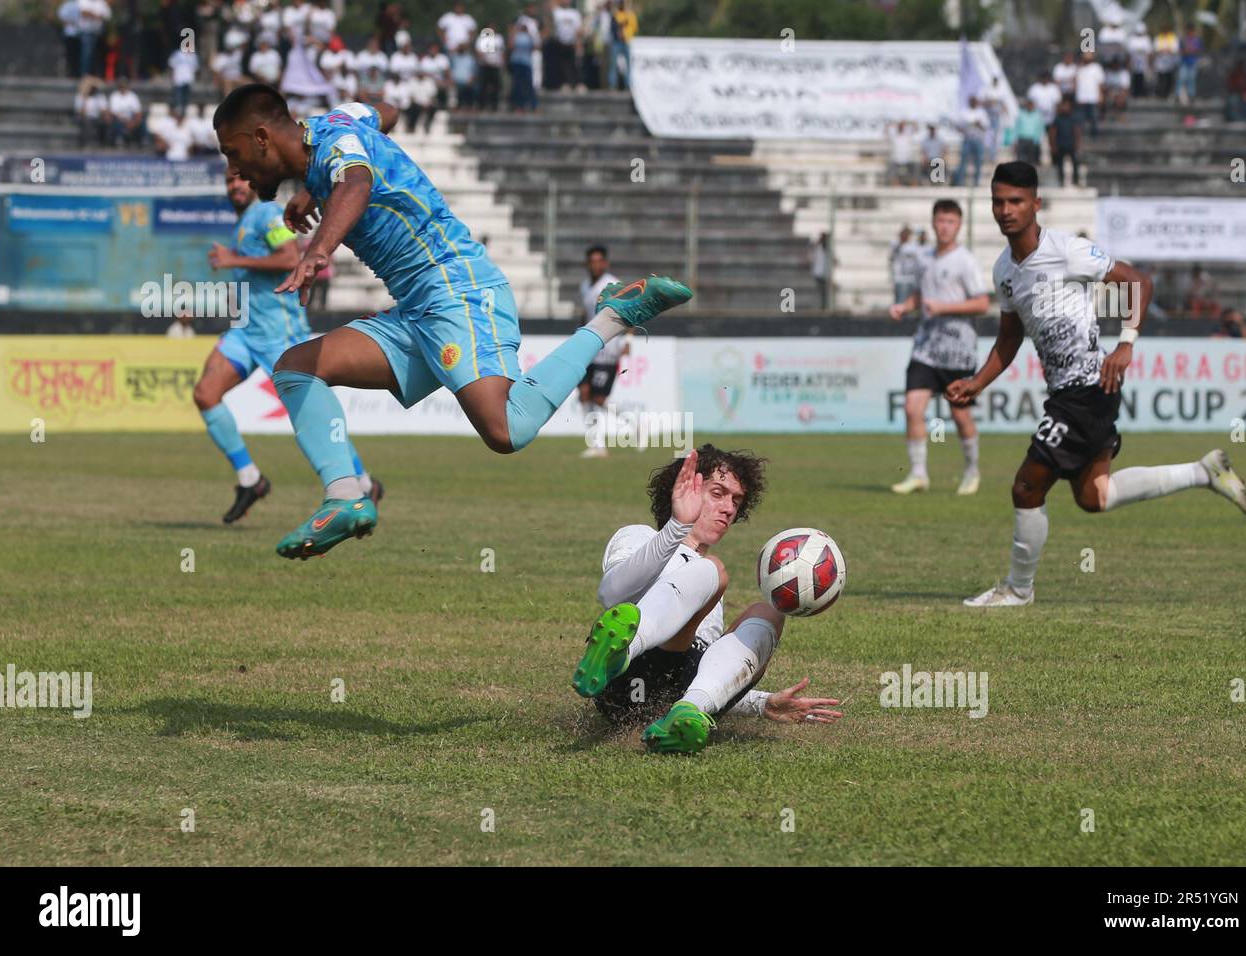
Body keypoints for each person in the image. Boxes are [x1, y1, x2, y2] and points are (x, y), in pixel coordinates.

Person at [212, 85, 692, 558]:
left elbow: (356, 183)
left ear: (261, 137)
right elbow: (389, 110)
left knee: (506, 429)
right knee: (297, 368)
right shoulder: (341, 122)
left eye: (233, 154)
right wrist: (316, 190)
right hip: (416, 308)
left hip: (456, 289)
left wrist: (317, 250)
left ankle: (613, 315)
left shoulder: (338, 146)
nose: (234, 170)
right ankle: (344, 497)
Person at [948, 162, 1246, 608]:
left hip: (1088, 390)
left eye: (1016, 201)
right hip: (1071, 394)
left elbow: (1137, 282)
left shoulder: (1068, 250)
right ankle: (1204, 471)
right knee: (1094, 496)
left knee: (1026, 487)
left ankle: (1017, 589)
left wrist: (1125, 344)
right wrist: (977, 382)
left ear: (1036, 204)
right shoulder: (1004, 271)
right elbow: (1010, 338)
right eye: (998, 201)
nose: (1006, 210)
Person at [571, 448, 844, 754]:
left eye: (736, 501)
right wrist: (676, 527)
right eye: (718, 493)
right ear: (684, 488)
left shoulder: (708, 577)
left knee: (768, 611)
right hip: (626, 673)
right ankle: (618, 651)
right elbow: (611, 594)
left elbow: (709, 669)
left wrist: (762, 703)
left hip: (675, 693)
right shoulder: (640, 537)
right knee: (713, 569)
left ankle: (687, 713)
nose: (728, 508)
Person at [195, 169, 381, 525]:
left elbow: (288, 258)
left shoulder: (267, 214)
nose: (235, 184)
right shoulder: (246, 222)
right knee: (206, 392)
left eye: (241, 178)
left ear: (254, 180)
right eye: (229, 180)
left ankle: (363, 483)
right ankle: (251, 480)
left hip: (280, 335)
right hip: (246, 333)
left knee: (311, 417)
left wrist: (234, 259)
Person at [888, 199, 989, 496]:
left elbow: (982, 302)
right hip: (926, 348)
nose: (944, 227)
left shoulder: (965, 261)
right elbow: (922, 292)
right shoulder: (924, 258)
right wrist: (905, 307)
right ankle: (919, 474)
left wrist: (944, 307)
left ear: (959, 226)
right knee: (912, 408)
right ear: (933, 223)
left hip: (958, 350)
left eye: (951, 222)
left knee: (960, 415)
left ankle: (972, 470)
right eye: (940, 221)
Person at [576, 244, 623, 459]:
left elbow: (629, 311)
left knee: (599, 399)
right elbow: (585, 316)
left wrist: (629, 338)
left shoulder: (612, 285)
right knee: (584, 394)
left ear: (605, 263)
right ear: (587, 264)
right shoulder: (585, 286)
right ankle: (596, 443)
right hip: (588, 347)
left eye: (599, 261)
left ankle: (635, 421)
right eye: (591, 261)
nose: (595, 265)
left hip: (608, 348)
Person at [951, 96, 988, 187]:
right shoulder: (964, 112)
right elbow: (958, 126)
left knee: (978, 161)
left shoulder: (981, 113)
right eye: (972, 101)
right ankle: (960, 182)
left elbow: (985, 127)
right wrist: (965, 127)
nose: (973, 103)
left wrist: (978, 124)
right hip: (967, 139)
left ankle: (976, 182)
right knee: (963, 161)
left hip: (978, 139)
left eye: (975, 101)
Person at [546, 0, 582, 91]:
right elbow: (549, 4)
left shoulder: (575, 13)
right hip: (559, 42)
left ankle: (574, 84)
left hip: (571, 43)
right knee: (560, 65)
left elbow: (578, 30)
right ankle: (563, 84)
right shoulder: (557, 11)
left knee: (573, 64)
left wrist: (578, 43)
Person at [508, 20, 538, 113]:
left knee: (529, 85)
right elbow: (511, 46)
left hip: (526, 62)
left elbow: (534, 47)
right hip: (516, 62)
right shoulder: (515, 36)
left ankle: (533, 105)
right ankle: (518, 106)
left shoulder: (528, 37)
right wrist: (512, 33)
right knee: (517, 85)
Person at [1049, 96, 1080, 187]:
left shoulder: (1073, 118)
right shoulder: (1057, 119)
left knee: (1075, 163)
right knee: (1060, 164)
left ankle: (1076, 180)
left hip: (1071, 145)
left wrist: (1077, 143)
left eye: (1067, 106)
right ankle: (1061, 180)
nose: (1065, 108)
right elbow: (1052, 133)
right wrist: (1053, 146)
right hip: (1060, 145)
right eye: (1064, 106)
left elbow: (1076, 131)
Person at [1074, 51, 1104, 140]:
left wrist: (1100, 95)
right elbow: (1075, 82)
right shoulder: (1078, 68)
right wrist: (1076, 95)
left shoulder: (1097, 68)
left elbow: (1100, 83)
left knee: (1094, 118)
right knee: (1080, 120)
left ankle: (1095, 137)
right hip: (1081, 98)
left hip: (1093, 97)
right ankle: (1080, 138)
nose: (1087, 56)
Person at [475, 23, 505, 111]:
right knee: (483, 86)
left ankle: (494, 105)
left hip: (495, 66)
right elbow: (478, 51)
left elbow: (502, 52)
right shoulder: (481, 38)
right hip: (485, 66)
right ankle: (481, 105)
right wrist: (485, 60)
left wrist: (502, 63)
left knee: (496, 87)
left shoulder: (499, 38)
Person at [888, 226, 920, 306]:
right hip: (900, 278)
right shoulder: (895, 243)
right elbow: (893, 255)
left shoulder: (913, 245)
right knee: (900, 302)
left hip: (912, 277)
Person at [610, 0, 636, 91]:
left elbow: (634, 27)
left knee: (628, 65)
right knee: (613, 65)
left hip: (627, 42)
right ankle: (613, 85)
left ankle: (628, 85)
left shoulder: (630, 14)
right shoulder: (615, 14)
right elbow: (613, 27)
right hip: (617, 42)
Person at [1011, 98, 1044, 166]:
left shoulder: (1038, 115)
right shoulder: (1021, 114)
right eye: (1028, 104)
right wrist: (1014, 140)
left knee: (1031, 161)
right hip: (1022, 139)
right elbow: (1016, 128)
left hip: (1032, 140)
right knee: (1020, 160)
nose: (1030, 106)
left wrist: (1038, 140)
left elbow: (1040, 129)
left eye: (1031, 104)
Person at [168, 43, 200, 113]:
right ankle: (178, 109)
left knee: (186, 95)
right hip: (179, 77)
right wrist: (172, 76)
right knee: (178, 94)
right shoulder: (177, 54)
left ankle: (185, 109)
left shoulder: (193, 56)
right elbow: (172, 65)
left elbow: (195, 68)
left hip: (188, 78)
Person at [886, 120, 918, 186]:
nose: (901, 127)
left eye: (902, 126)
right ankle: (895, 184)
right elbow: (886, 128)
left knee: (916, 165)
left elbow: (915, 126)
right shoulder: (894, 135)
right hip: (896, 159)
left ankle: (914, 184)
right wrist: (895, 123)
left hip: (907, 159)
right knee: (891, 165)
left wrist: (906, 122)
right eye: (900, 126)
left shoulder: (907, 134)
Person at [1178, 23, 1202, 106]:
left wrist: (1189, 50)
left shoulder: (1196, 40)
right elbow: (1183, 51)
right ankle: (1179, 96)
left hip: (1193, 63)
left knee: (1191, 80)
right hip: (1184, 63)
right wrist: (1189, 50)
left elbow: (1197, 50)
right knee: (1182, 79)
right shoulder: (1183, 40)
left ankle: (1191, 96)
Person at [1127, 22, 1152, 98]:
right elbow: (1130, 52)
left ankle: (1142, 93)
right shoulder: (1132, 39)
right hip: (1134, 62)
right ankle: (1135, 93)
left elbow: (1149, 52)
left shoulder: (1146, 39)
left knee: (1143, 78)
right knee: (1135, 77)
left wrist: (1149, 63)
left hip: (1143, 62)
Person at [1153, 25, 1180, 100]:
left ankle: (1168, 93)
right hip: (1160, 63)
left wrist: (1167, 50)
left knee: (1169, 79)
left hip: (1170, 62)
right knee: (1161, 78)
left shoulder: (1173, 37)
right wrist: (1164, 50)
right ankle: (1161, 94)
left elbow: (1175, 49)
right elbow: (1156, 48)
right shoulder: (1159, 37)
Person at [811, 232, 835, 309]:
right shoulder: (819, 249)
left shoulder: (827, 249)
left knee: (824, 292)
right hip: (819, 273)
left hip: (824, 274)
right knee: (822, 292)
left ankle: (824, 306)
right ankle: (822, 306)